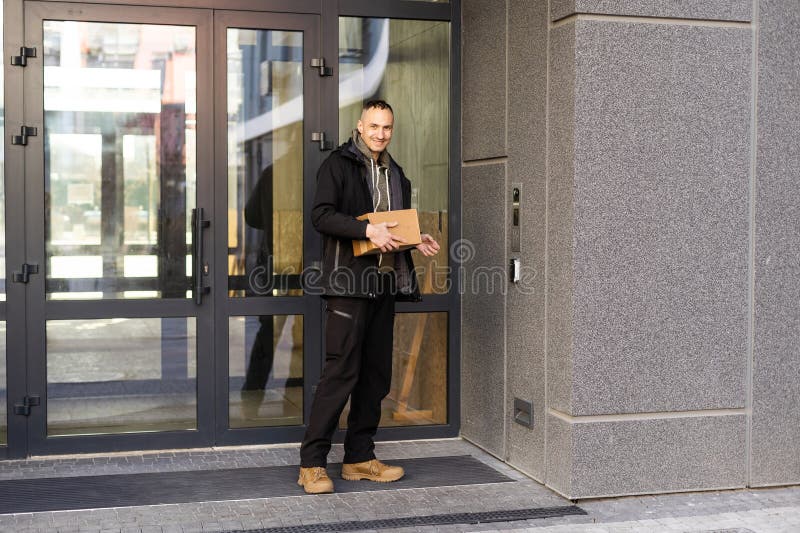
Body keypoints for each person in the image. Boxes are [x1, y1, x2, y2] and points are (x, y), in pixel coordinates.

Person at [298, 100, 440, 494]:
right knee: (340, 373)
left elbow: (393, 227)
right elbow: (321, 216)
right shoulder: (337, 165)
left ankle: (359, 458)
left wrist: (416, 238)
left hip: (384, 285)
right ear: (360, 126)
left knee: (376, 375)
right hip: (347, 286)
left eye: (387, 128)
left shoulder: (397, 173)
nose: (380, 134)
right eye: (374, 126)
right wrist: (366, 232)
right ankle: (311, 463)